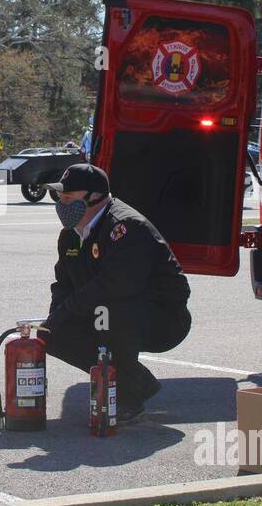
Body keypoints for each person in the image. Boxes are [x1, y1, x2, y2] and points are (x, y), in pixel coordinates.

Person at [40, 163, 192, 422]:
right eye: (59, 196)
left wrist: (69, 308)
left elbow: (117, 284)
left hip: (162, 317)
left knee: (110, 310)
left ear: (95, 196)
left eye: (68, 197)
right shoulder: (71, 235)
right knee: (51, 334)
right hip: (109, 308)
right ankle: (135, 381)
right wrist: (55, 319)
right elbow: (63, 284)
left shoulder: (125, 226)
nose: (61, 203)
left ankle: (128, 398)